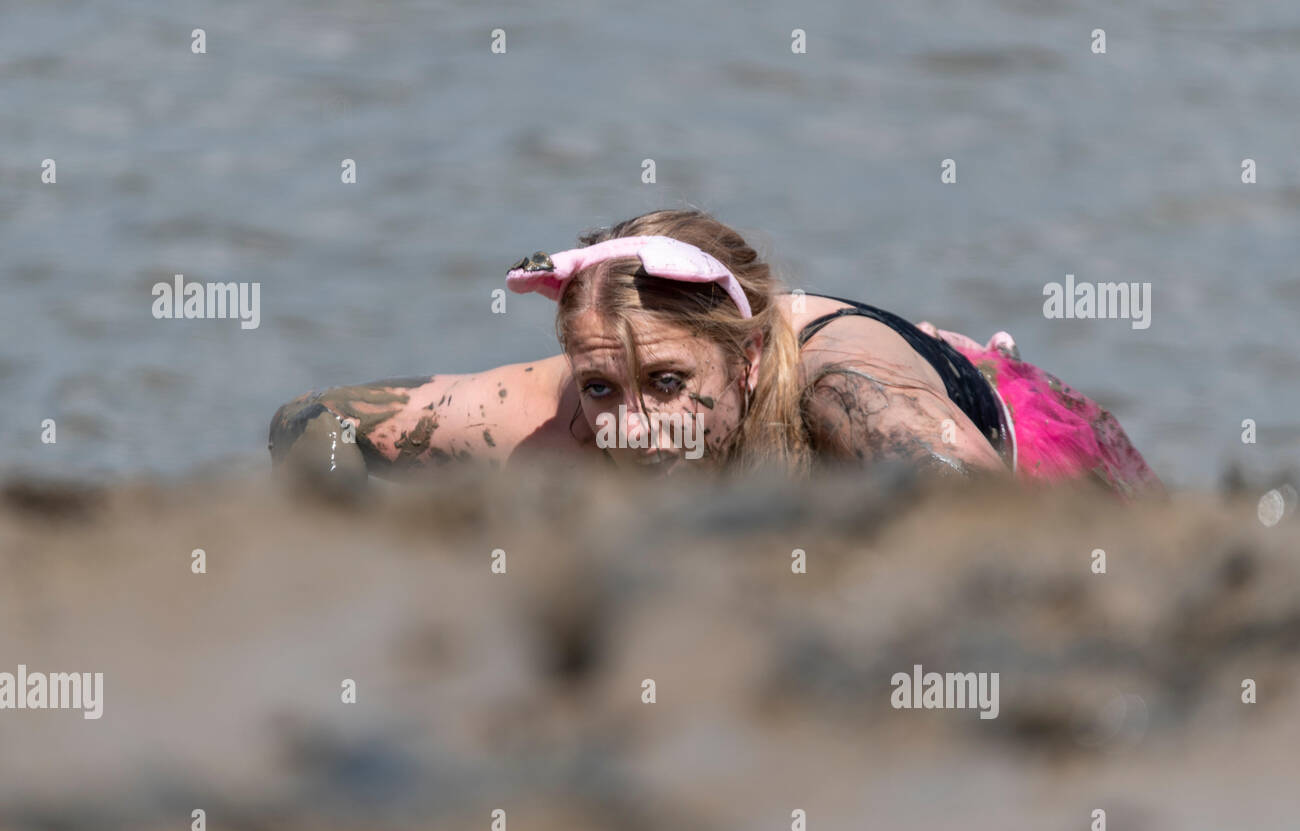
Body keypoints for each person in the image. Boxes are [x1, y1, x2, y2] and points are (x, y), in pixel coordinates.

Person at [268, 209, 1166, 499]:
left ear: (742, 362)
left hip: (1043, 456)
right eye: (602, 386)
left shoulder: (845, 393)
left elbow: (1003, 528)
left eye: (666, 382)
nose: (634, 424)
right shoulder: (575, 404)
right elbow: (311, 426)